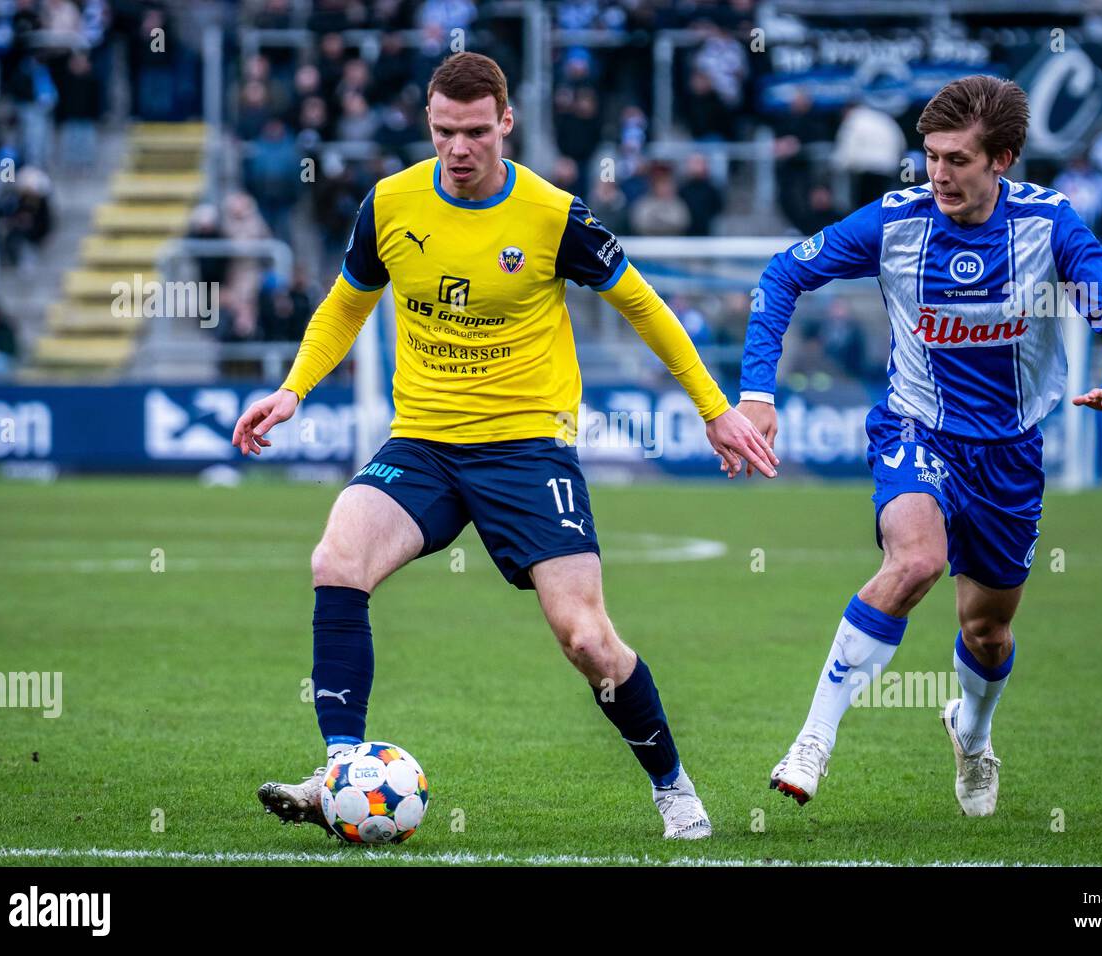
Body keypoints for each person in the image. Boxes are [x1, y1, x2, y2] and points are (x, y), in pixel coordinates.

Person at [234, 52, 776, 841]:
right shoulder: (390, 203)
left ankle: (673, 788)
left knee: (588, 639)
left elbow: (643, 305)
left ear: (506, 124)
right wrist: (293, 388)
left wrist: (714, 407)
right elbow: (346, 306)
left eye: (477, 132)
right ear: (429, 122)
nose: (459, 148)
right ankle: (340, 770)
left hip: (528, 450)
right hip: (422, 442)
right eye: (446, 131)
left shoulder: (553, 215)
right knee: (336, 561)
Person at [737, 75, 1102, 817]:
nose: (938, 174)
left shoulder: (1049, 227)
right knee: (916, 560)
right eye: (930, 156)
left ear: (1004, 158)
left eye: (957, 159)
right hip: (914, 427)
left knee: (988, 630)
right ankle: (813, 739)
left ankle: (972, 731)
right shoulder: (895, 223)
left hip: (1009, 454)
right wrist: (758, 394)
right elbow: (782, 275)